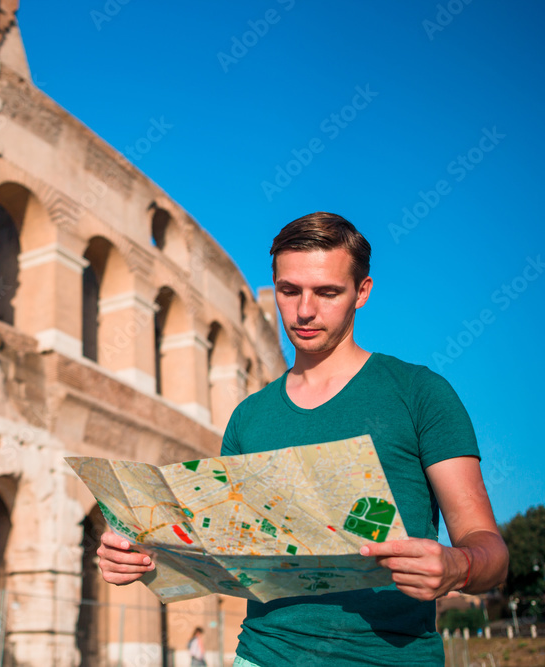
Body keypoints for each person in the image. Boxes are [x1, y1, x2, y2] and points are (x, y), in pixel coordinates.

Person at [95, 212, 509, 666]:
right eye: (290, 291)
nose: (305, 310)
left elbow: (488, 547)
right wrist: (140, 556)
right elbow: (224, 553)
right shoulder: (248, 417)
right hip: (261, 655)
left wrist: (459, 566)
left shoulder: (420, 394)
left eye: (327, 292)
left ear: (362, 292)